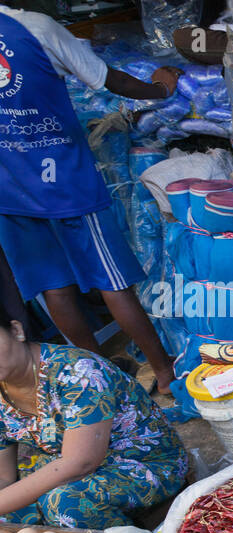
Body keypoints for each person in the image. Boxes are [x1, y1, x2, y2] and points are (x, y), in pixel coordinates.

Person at [0, 3, 182, 393]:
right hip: (63, 179)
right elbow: (108, 79)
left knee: (55, 287)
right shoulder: (35, 26)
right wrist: (161, 88)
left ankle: (103, 383)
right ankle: (164, 372)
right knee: (112, 281)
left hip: (9, 188)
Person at [0, 314, 187, 528]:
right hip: (59, 469)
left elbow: (80, 463)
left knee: (66, 505)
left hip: (140, 464)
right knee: (8, 519)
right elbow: (4, 476)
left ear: (16, 331)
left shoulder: (76, 370)